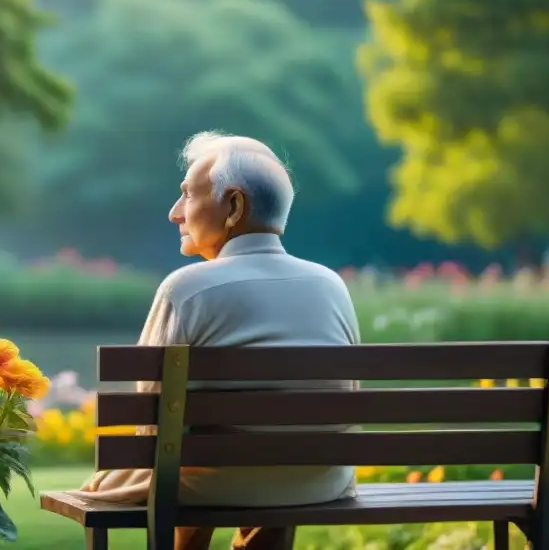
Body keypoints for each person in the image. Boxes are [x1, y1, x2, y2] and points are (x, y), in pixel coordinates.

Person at [67, 131, 361, 550]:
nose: (175, 213)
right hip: (318, 480)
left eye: (187, 194)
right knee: (223, 454)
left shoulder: (186, 289)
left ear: (234, 206)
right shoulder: (331, 284)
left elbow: (151, 426)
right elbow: (343, 402)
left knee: (174, 459)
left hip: (214, 481)